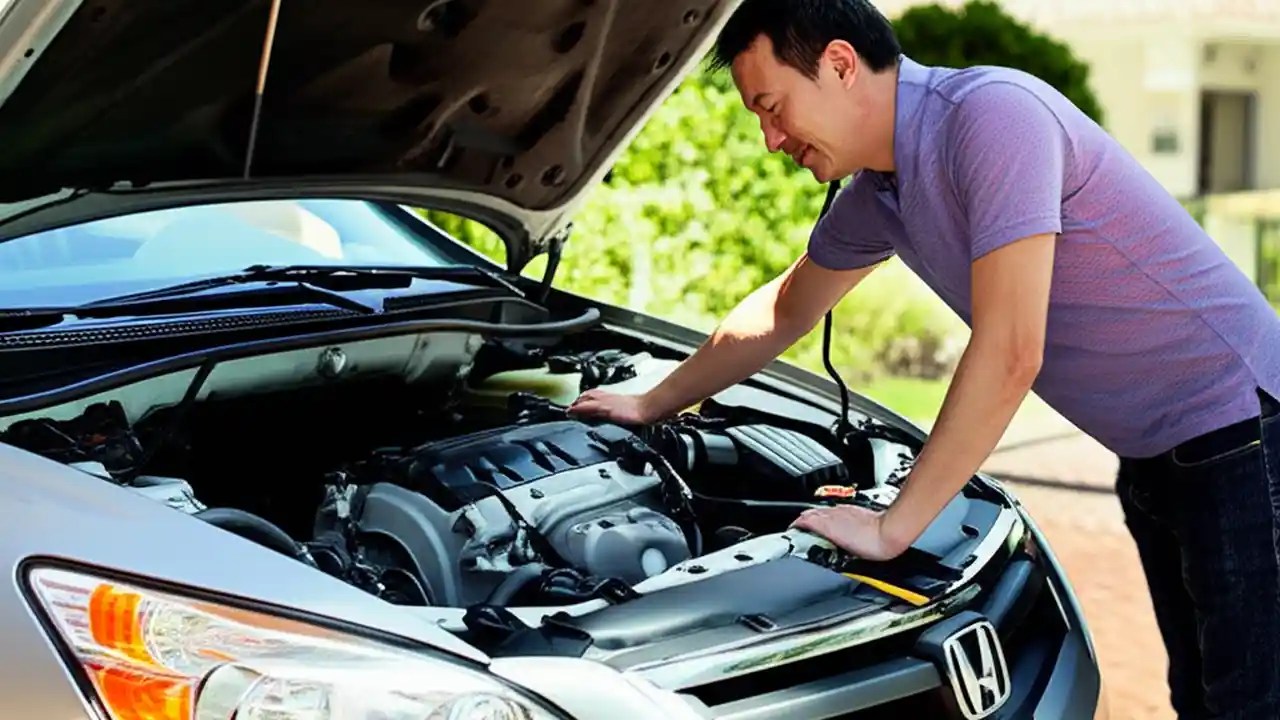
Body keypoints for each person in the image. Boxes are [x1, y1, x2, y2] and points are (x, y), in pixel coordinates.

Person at [565, 0, 1280, 716]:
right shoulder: (882, 192)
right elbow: (786, 308)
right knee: (1209, 700)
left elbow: (1009, 351)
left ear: (841, 64)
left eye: (772, 106)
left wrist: (892, 526)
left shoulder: (992, 118)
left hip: (1245, 430)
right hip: (1162, 454)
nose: (770, 139)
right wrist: (653, 402)